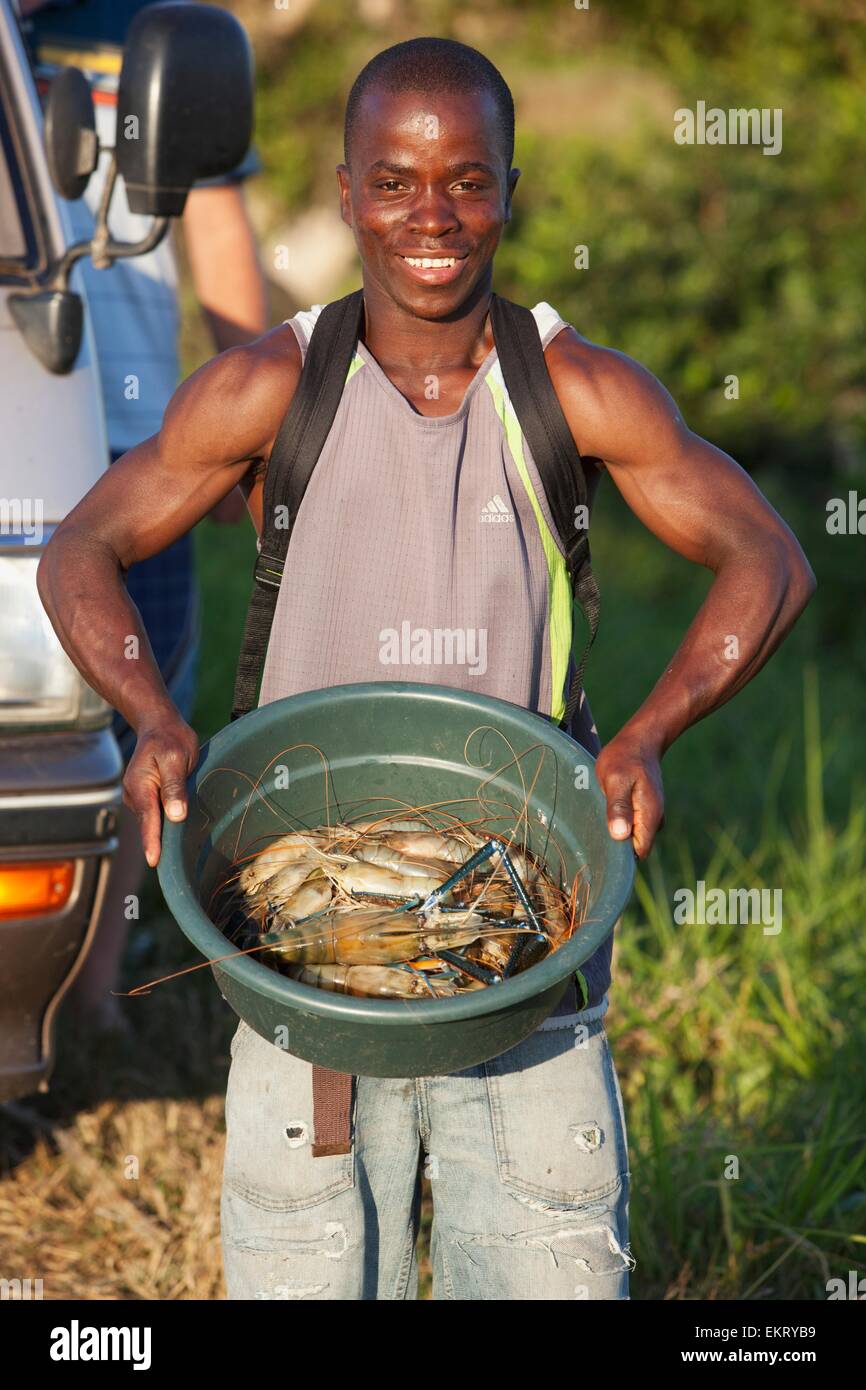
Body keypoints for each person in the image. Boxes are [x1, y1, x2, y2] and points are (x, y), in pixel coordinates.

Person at [37, 38, 815, 1299]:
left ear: (510, 188)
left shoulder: (576, 392)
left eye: (465, 179)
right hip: (302, 956)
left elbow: (766, 559)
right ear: (344, 191)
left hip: (523, 955)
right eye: (394, 181)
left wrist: (647, 735)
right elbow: (83, 548)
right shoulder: (266, 390)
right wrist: (151, 721)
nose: (431, 217)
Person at [20, 0, 268, 1027]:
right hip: (13, 410)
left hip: (128, 428)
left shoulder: (155, 32)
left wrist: (251, 408)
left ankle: (91, 991)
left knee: (142, 698)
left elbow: (215, 230)